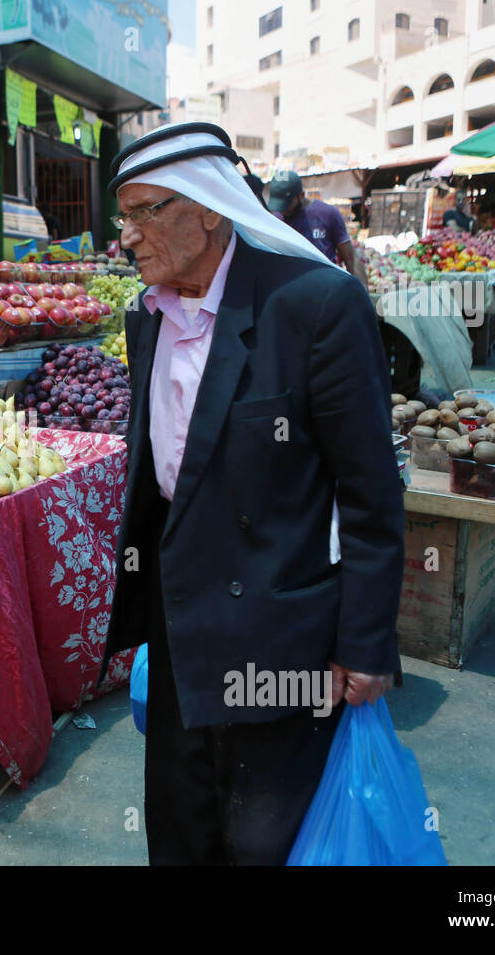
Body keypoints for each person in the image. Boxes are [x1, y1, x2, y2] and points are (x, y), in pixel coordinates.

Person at [100, 122, 405, 865]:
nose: (129, 237)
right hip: (181, 617)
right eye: (123, 217)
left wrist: (364, 644)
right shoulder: (148, 316)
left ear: (208, 207)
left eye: (148, 212)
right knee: (181, 823)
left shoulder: (314, 307)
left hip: (280, 625)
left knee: (264, 832)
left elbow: (369, 493)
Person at [265, 170, 368, 287]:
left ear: (301, 196)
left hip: (327, 290)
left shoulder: (328, 214)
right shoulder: (276, 221)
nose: (282, 210)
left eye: (287, 205)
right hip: (293, 292)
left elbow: (351, 258)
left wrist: (363, 295)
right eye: (279, 205)